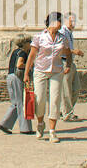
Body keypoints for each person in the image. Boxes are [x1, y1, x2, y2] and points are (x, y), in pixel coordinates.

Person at [25, 13, 69, 143]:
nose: (62, 25)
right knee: (40, 99)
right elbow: (32, 56)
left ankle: (52, 131)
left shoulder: (63, 37)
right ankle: (40, 123)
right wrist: (26, 73)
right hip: (40, 70)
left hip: (56, 70)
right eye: (60, 22)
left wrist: (69, 65)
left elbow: (67, 52)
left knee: (55, 99)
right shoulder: (39, 37)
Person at [0, 35, 34, 134]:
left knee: (15, 102)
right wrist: (30, 65)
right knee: (21, 102)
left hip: (10, 77)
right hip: (17, 78)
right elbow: (19, 64)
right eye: (29, 42)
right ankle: (25, 128)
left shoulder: (15, 51)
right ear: (25, 43)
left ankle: (5, 124)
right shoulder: (23, 53)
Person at [59, 12, 84, 121]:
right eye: (71, 21)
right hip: (64, 61)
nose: (73, 23)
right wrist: (74, 51)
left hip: (70, 61)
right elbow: (61, 47)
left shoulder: (69, 32)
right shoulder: (62, 32)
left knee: (76, 87)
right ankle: (67, 113)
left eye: (74, 21)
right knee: (66, 89)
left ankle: (63, 110)